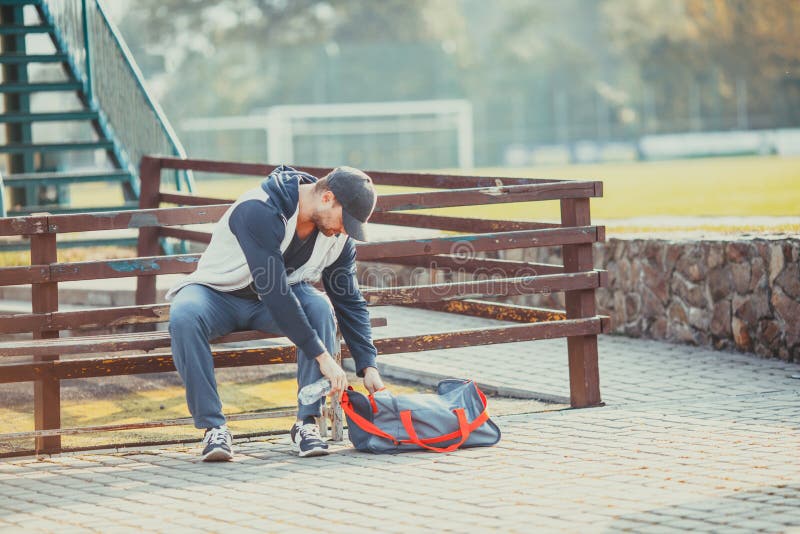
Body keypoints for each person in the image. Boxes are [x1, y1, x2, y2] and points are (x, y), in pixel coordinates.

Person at [166, 164, 384, 461]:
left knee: (319, 307)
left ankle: (307, 423)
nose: (345, 230)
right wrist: (324, 358)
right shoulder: (259, 209)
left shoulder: (337, 238)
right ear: (326, 198)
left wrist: (368, 366)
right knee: (184, 316)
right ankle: (213, 428)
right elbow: (274, 290)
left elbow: (349, 300)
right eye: (345, 221)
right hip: (218, 294)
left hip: (273, 301)